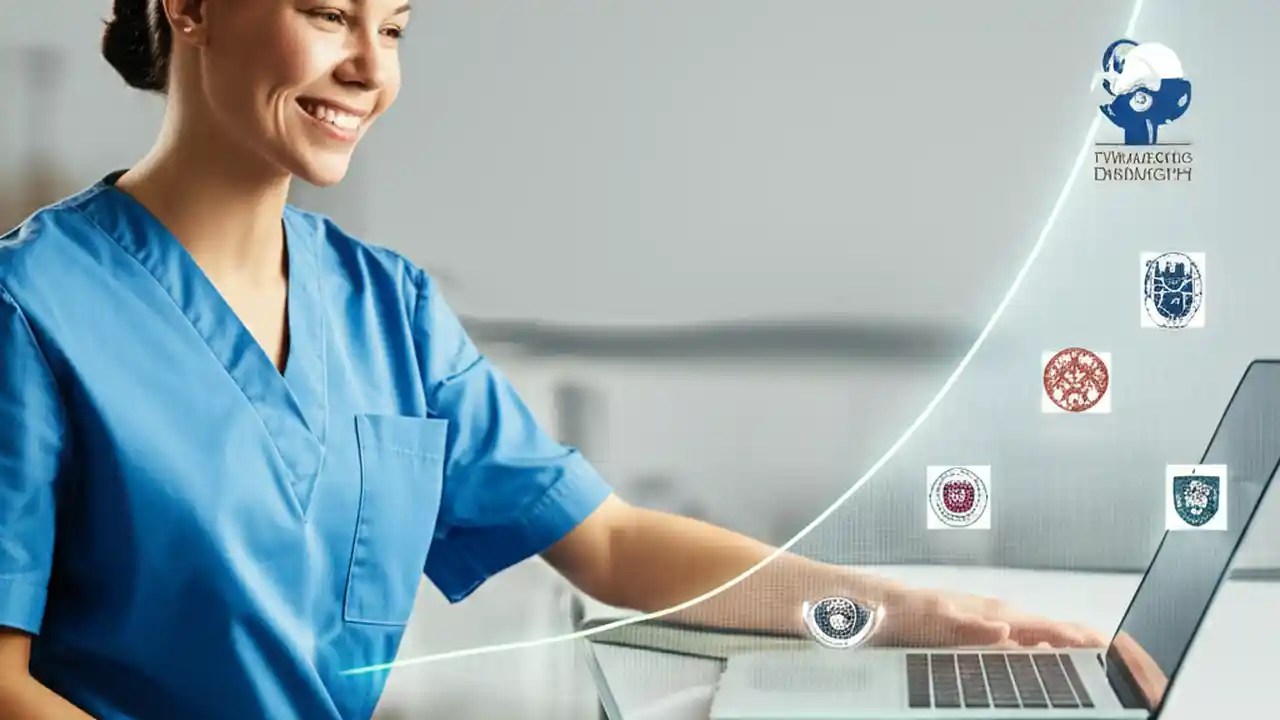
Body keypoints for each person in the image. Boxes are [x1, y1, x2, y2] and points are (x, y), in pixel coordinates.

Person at [0, 1, 1105, 718]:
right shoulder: (32, 308)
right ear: (189, 7)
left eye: (395, 27)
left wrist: (907, 614)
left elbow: (611, 543)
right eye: (329, 15)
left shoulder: (385, 306)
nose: (369, 69)